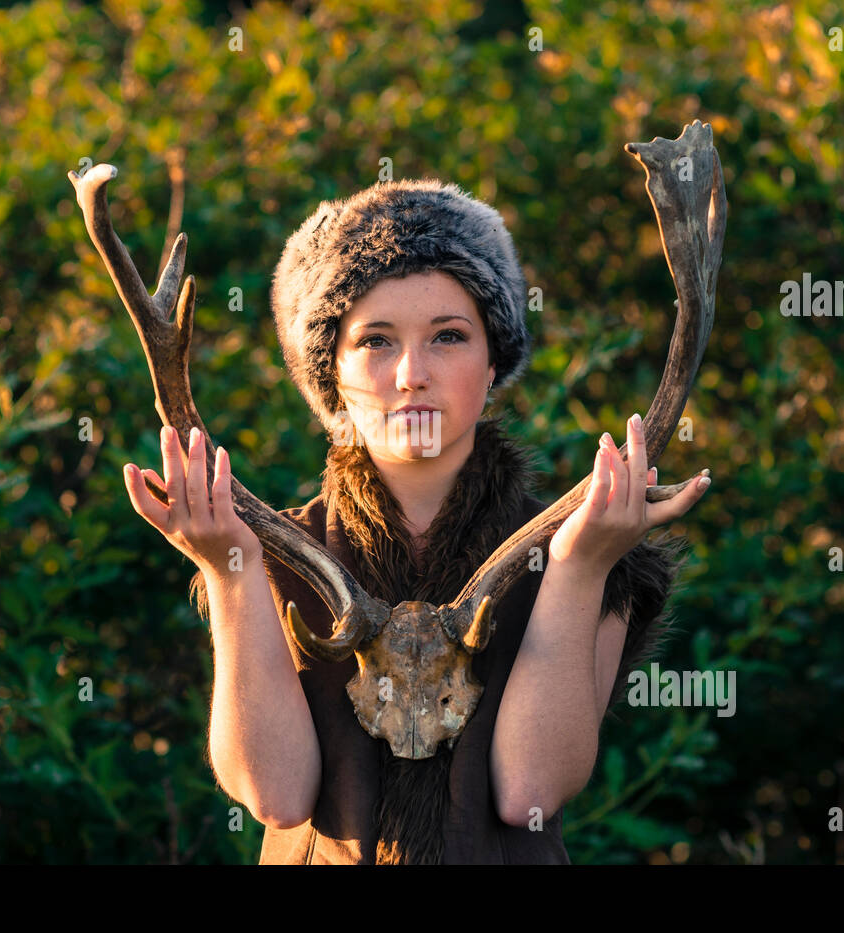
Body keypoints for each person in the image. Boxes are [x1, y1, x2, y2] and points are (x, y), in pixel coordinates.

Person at [122, 178, 710, 864]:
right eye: (375, 341)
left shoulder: (600, 552)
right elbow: (276, 795)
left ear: (494, 362)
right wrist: (228, 570)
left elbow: (531, 792)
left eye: (449, 337)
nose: (411, 374)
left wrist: (580, 568)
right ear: (330, 372)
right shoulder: (265, 554)